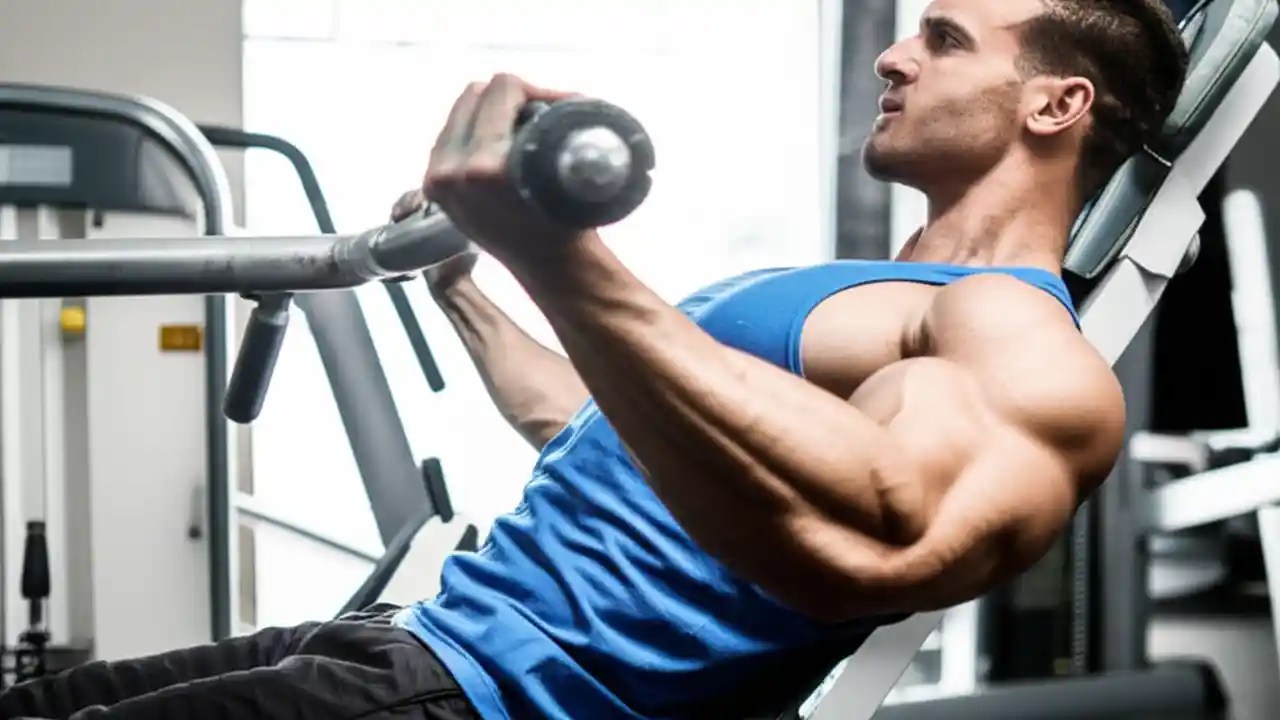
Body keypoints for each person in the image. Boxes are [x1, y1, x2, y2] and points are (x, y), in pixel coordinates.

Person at [0, 0, 1190, 717]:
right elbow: (591, 424)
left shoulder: (1012, 331)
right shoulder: (864, 292)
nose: (891, 55)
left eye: (942, 39)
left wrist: (564, 257)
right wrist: (467, 278)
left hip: (483, 703)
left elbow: (890, 532)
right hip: (408, 648)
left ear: (1054, 106)